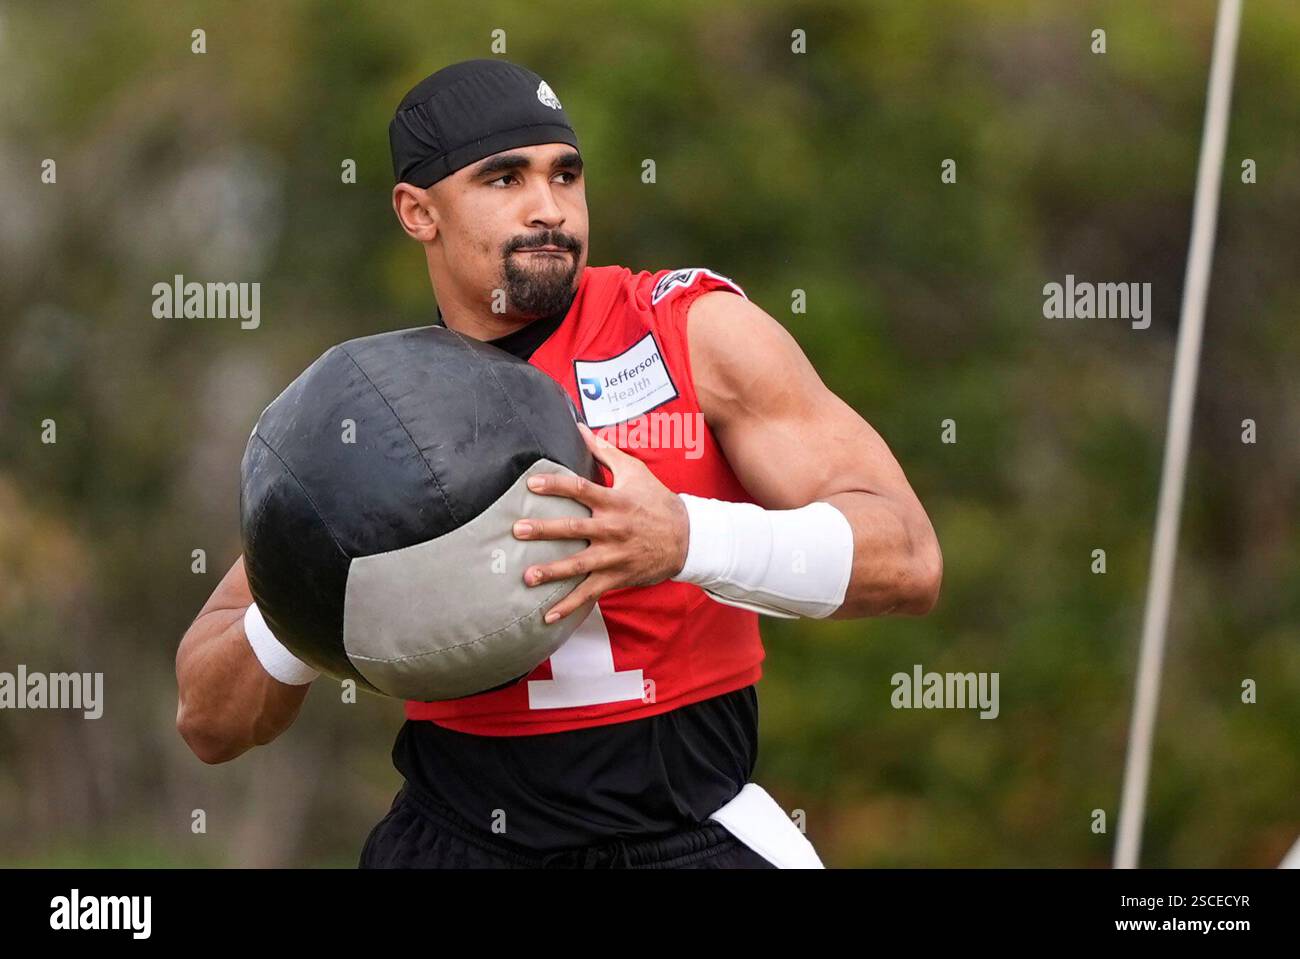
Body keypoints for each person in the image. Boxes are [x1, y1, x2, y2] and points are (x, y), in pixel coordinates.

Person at [175, 58, 943, 869]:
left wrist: (687, 538)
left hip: (693, 835)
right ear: (417, 211)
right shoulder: (383, 413)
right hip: (461, 843)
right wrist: (323, 589)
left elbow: (910, 556)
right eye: (504, 179)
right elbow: (208, 719)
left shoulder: (691, 333)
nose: (550, 209)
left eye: (565, 174)